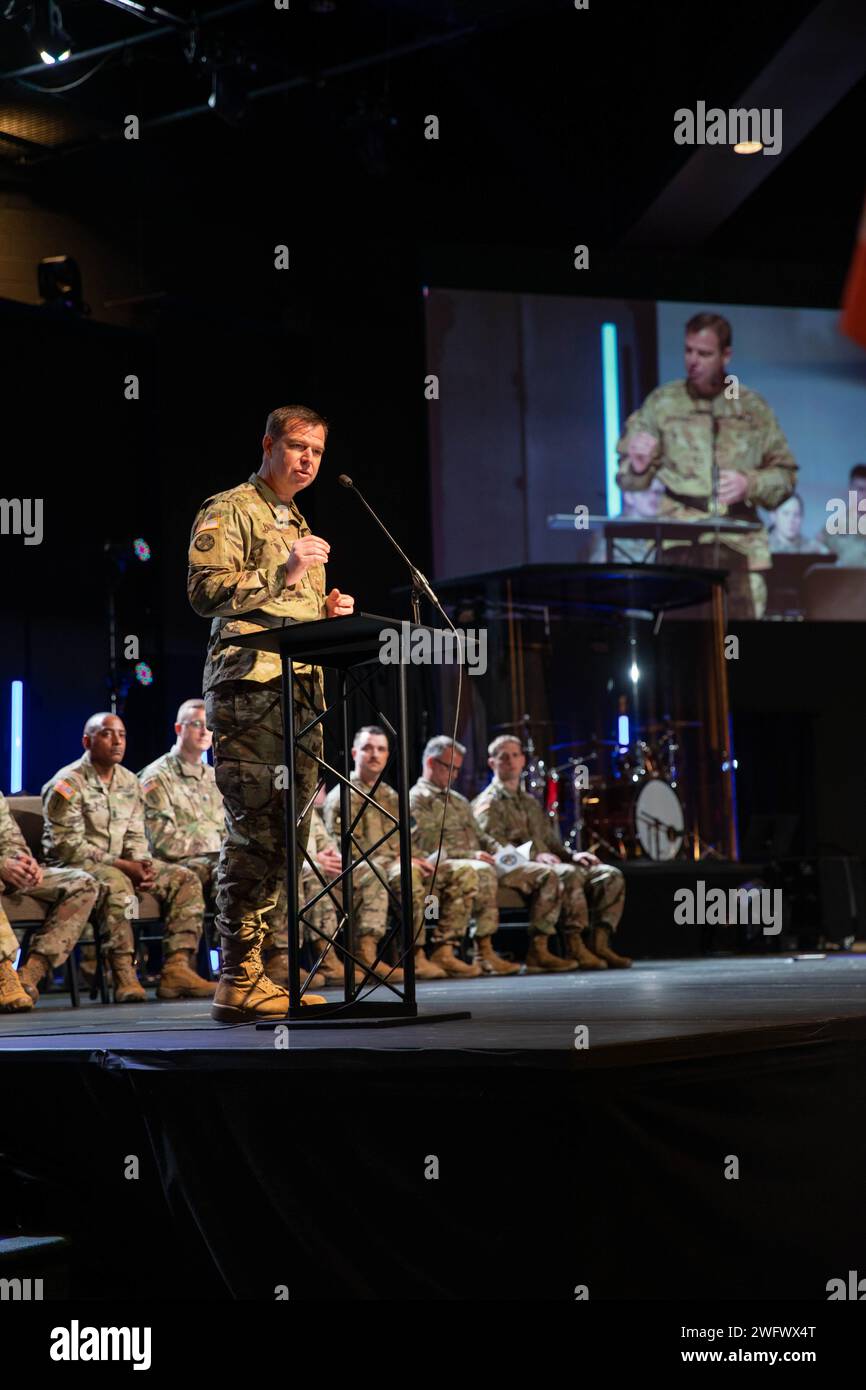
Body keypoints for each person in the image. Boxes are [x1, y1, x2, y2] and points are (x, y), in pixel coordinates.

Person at [188, 403, 354, 1021]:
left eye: (317, 451)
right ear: (268, 444)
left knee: (291, 833)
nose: (308, 460)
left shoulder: (298, 518)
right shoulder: (229, 507)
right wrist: (284, 570)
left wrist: (329, 612)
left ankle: (265, 971)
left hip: (301, 693)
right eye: (297, 447)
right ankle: (235, 974)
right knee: (255, 828)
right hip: (250, 691)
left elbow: (290, 609)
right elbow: (204, 592)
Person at [616, 311, 798, 618]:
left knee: (739, 650)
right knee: (680, 647)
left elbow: (786, 476)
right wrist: (637, 466)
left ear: (726, 355)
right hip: (679, 545)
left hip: (738, 548)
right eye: (688, 350)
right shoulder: (662, 404)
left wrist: (749, 484)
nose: (693, 361)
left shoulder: (752, 408)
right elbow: (626, 480)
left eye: (704, 353)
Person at [42, 713, 214, 1004]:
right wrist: (124, 866)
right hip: (76, 866)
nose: (117, 741)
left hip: (122, 864)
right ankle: (123, 973)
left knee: (184, 878)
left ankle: (177, 968)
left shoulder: (128, 781)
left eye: (121, 735)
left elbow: (136, 835)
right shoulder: (67, 784)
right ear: (87, 741)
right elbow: (67, 847)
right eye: (107, 734)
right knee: (118, 881)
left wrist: (143, 865)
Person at [410, 736, 575, 975]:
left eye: (458, 769)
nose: (454, 775)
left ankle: (501, 951)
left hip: (478, 861)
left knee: (544, 873)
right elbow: (427, 843)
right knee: (479, 870)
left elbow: (483, 837)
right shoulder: (418, 799)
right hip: (442, 863)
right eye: (449, 767)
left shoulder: (458, 800)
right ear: (431, 763)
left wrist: (499, 852)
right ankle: (454, 950)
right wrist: (472, 854)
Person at [473, 736, 631, 968]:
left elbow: (550, 841)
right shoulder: (488, 803)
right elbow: (494, 847)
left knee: (608, 874)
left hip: (547, 862)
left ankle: (599, 943)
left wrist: (573, 855)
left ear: (523, 760)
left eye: (515, 755)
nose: (511, 761)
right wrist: (534, 856)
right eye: (503, 756)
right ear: (492, 763)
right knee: (567, 873)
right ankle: (568, 944)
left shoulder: (529, 802)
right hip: (512, 866)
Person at [324, 725, 443, 982]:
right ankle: (365, 954)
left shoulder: (389, 795)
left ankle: (416, 954)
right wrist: (396, 860)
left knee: (418, 870)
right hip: (358, 868)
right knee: (385, 871)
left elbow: (405, 840)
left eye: (381, 749)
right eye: (368, 748)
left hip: (391, 865)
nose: (374, 754)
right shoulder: (343, 795)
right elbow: (343, 850)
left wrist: (414, 857)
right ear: (355, 753)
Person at [0, 791, 100, 1005]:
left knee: (82, 883)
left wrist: (24, 862)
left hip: (8, 871)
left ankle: (31, 973)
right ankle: (4, 975)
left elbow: (11, 839)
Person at [823, 464, 866, 565]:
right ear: (850, 490)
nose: (865, 495)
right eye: (860, 489)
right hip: (847, 579)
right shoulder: (833, 526)